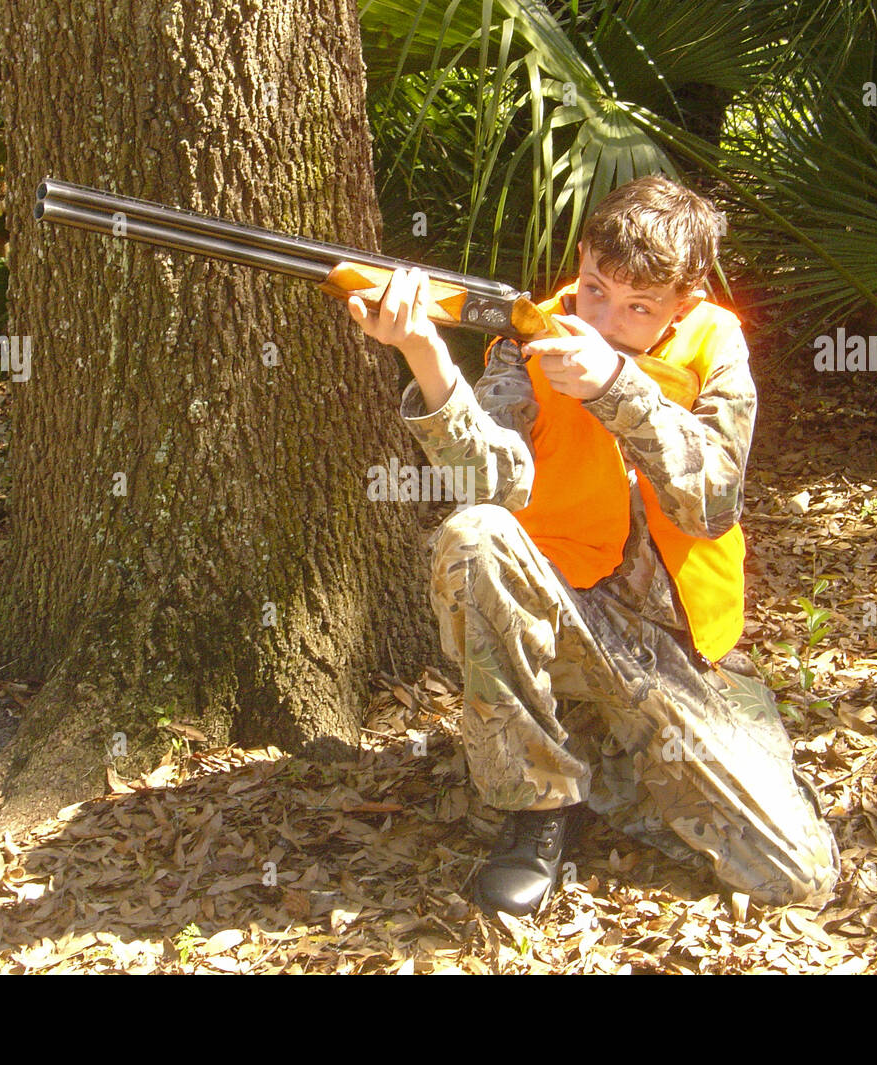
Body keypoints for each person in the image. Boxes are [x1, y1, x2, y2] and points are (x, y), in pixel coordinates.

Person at [347, 175, 839, 917]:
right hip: (567, 611)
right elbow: (491, 478)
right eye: (594, 287)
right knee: (474, 540)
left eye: (639, 307)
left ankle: (605, 763)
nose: (604, 318)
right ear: (580, 259)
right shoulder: (532, 334)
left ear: (687, 301)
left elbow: (710, 503)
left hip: (679, 649)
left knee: (796, 876)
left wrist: (616, 385)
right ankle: (538, 808)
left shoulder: (716, 345)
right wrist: (425, 352)